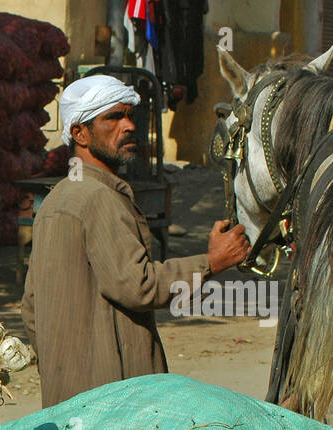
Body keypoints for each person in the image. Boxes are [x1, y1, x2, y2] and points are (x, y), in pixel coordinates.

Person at [22, 73, 250, 407]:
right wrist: (212, 262)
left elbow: (30, 306)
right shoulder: (95, 197)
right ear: (79, 133)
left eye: (130, 116)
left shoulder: (59, 197)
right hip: (116, 402)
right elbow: (138, 285)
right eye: (113, 118)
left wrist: (62, 367)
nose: (129, 126)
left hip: (69, 403)